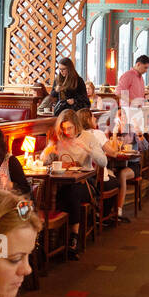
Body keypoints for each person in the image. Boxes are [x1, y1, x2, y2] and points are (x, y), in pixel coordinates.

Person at [40, 109, 104, 257]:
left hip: (85, 184)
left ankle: (72, 238)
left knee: (71, 192)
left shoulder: (88, 137)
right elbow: (44, 161)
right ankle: (52, 237)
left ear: (76, 125)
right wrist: (49, 149)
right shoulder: (58, 138)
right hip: (61, 183)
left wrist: (87, 149)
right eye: (64, 129)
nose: (67, 132)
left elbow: (103, 161)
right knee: (49, 190)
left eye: (70, 128)